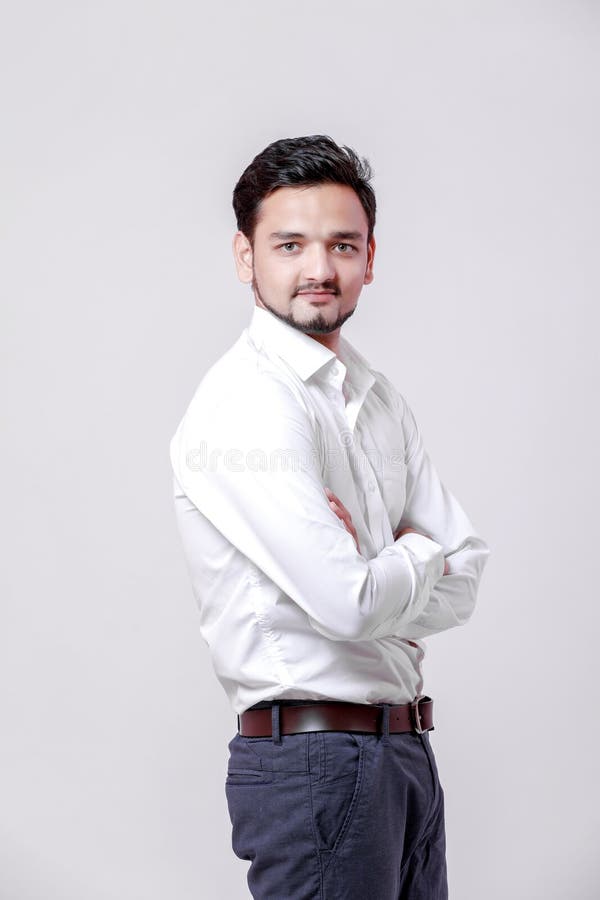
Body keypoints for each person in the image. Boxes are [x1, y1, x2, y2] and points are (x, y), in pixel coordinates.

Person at [169, 134, 490, 899]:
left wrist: (378, 558)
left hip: (404, 754)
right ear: (246, 257)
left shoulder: (375, 397)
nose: (319, 269)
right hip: (314, 763)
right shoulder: (249, 402)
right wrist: (414, 552)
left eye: (342, 245)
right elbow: (350, 603)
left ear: (370, 258)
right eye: (290, 244)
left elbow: (468, 571)